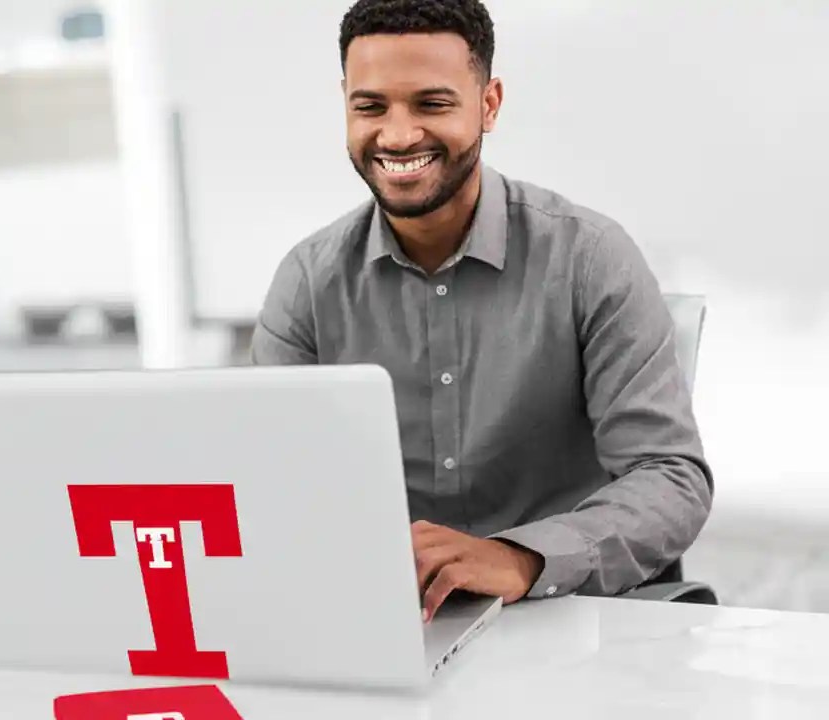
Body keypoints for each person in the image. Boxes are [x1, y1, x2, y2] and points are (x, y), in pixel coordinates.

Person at [250, 0, 712, 621]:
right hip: (397, 623)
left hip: (577, 615)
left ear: (488, 104)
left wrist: (522, 557)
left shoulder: (591, 257)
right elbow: (272, 484)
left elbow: (670, 478)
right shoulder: (306, 282)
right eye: (370, 106)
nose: (397, 134)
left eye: (432, 104)